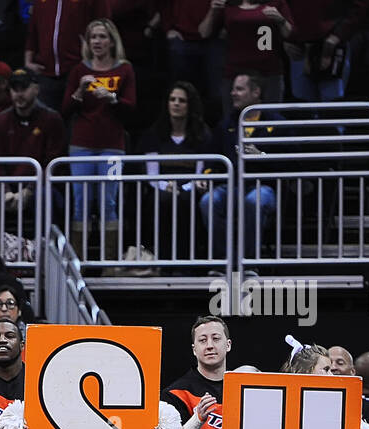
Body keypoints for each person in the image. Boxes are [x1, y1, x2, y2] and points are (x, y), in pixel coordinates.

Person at [62, 19, 135, 257]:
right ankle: (77, 262)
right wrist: (80, 92)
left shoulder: (124, 69)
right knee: (80, 202)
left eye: (102, 36)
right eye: (93, 37)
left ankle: (111, 261)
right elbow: (64, 111)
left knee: (109, 202)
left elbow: (132, 110)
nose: (97, 41)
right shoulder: (79, 71)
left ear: (112, 41)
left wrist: (113, 98)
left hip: (113, 148)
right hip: (81, 147)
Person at [200, 73, 279, 259]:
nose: (233, 93)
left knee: (253, 201)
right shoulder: (226, 124)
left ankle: (248, 262)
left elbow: (289, 159)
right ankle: (224, 261)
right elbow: (213, 156)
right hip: (232, 186)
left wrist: (261, 156)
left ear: (256, 92)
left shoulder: (275, 122)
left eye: (239, 89)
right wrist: (206, 174)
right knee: (208, 201)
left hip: (263, 185)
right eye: (233, 89)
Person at [0, 69, 67, 236]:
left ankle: (44, 253)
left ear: (36, 89)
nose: (19, 94)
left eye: (24, 88)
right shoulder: (1, 120)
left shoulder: (51, 119)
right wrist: (5, 191)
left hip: (42, 186)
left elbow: (52, 160)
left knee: (43, 197)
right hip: (10, 190)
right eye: (14, 89)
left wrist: (29, 189)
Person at [134, 81, 212, 261]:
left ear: (190, 105)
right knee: (162, 200)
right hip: (161, 188)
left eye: (182, 101)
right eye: (172, 99)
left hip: (190, 189)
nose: (176, 104)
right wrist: (165, 185)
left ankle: (187, 261)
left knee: (184, 201)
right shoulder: (154, 134)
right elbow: (151, 174)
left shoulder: (202, 134)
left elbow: (202, 171)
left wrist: (183, 188)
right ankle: (162, 259)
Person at [24, 0, 113, 119]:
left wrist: (93, 62)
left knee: (78, 124)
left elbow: (105, 25)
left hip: (78, 72)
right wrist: (28, 60)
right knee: (48, 128)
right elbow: (34, 27)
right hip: (45, 72)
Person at [202, 0, 294, 113]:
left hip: (269, 71)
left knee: (271, 120)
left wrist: (281, 20)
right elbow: (204, 33)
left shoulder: (275, 2)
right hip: (235, 72)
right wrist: (212, 11)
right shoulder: (227, 4)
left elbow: (290, 34)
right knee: (232, 121)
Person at [287, 1, 366, 103]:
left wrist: (339, 34)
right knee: (302, 104)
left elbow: (359, 6)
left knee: (332, 103)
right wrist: (285, 35)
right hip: (298, 43)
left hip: (332, 42)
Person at [164, 0, 226, 124]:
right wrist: (167, 28)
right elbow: (163, 6)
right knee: (181, 89)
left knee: (217, 93)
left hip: (214, 37)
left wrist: (227, 26)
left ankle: (219, 132)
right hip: (182, 36)